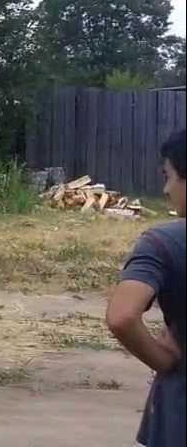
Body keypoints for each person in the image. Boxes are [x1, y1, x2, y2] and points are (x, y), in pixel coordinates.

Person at [106, 130, 184, 447]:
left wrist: (163, 360)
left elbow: (122, 317)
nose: (166, 189)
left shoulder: (163, 243)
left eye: (169, 176)